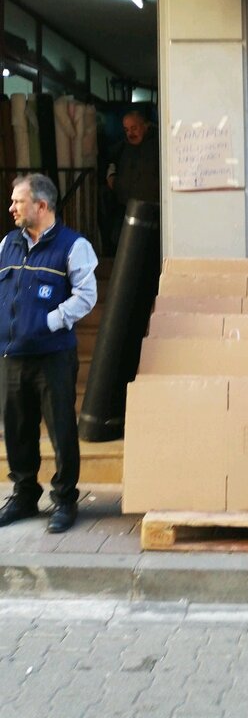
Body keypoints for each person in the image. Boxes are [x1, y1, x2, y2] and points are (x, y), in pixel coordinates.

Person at [0, 173, 98, 533]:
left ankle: (65, 500)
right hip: (11, 355)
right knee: (17, 429)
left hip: (53, 355)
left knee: (60, 430)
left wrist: (48, 322)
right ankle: (24, 495)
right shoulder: (7, 244)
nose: (12, 208)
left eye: (18, 201)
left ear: (41, 205)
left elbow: (86, 296)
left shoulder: (74, 246)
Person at [104, 110, 160, 251]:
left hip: (151, 211)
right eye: (126, 129)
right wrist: (113, 180)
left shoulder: (158, 146)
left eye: (134, 128)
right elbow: (111, 164)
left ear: (145, 125)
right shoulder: (123, 147)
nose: (130, 133)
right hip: (127, 208)